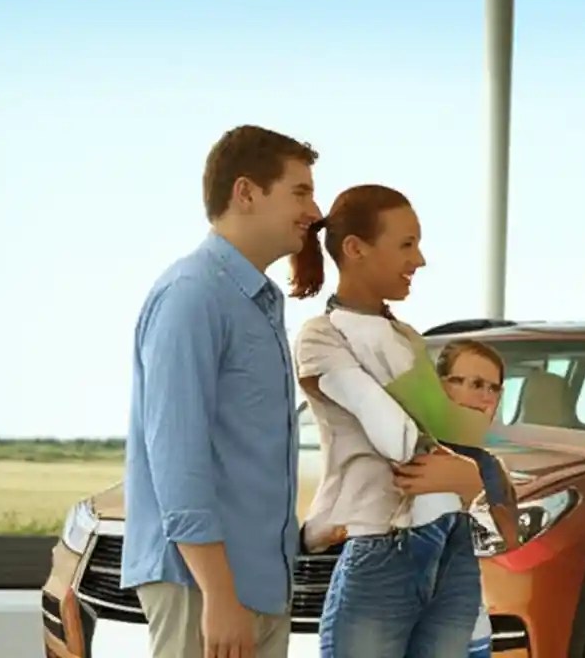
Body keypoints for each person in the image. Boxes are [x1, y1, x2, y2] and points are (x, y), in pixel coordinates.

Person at [121, 125, 321, 658]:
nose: (315, 209)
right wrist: (218, 594)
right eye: (299, 192)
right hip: (205, 588)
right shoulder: (192, 295)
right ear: (246, 193)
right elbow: (177, 457)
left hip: (257, 586)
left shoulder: (257, 301)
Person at [291, 184, 487, 658]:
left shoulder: (406, 337)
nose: (419, 260)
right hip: (382, 543)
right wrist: (464, 462)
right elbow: (402, 436)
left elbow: (457, 436)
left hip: (450, 538)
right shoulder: (321, 337)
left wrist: (471, 468)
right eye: (406, 244)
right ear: (355, 249)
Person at [433, 339, 520, 658]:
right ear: (441, 387)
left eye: (492, 388)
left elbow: (512, 542)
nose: (484, 396)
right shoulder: (409, 446)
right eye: (471, 384)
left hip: (468, 620)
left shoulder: (488, 464)